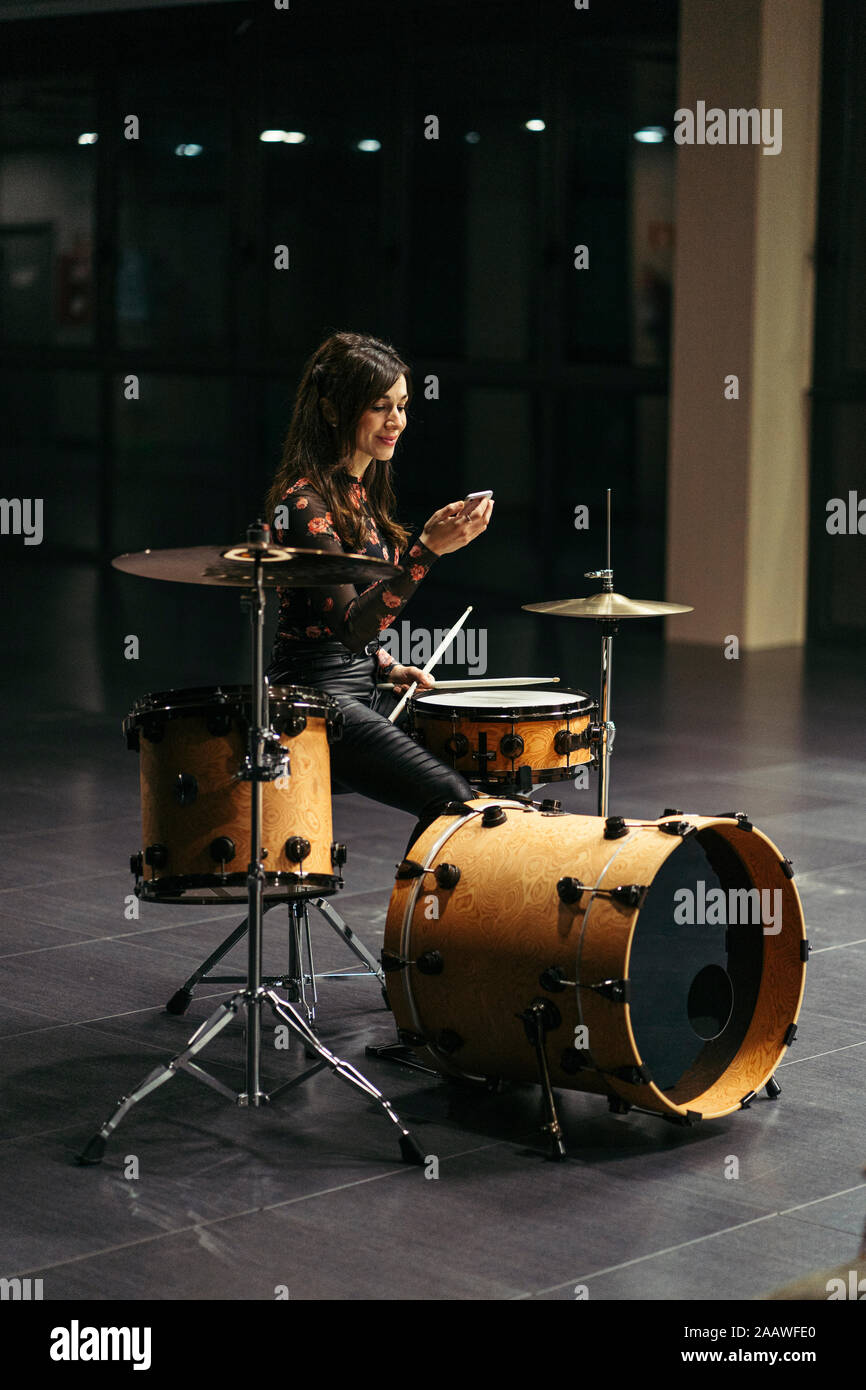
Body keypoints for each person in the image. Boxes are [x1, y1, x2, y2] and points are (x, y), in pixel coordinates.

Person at [264, 331, 494, 850]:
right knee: (451, 797)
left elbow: (351, 628)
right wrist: (425, 552)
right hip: (313, 704)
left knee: (487, 756)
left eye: (403, 406)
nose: (397, 421)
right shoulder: (304, 504)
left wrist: (388, 667)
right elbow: (346, 630)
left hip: (362, 688)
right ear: (331, 410)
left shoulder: (359, 493)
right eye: (379, 407)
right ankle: (420, 924)